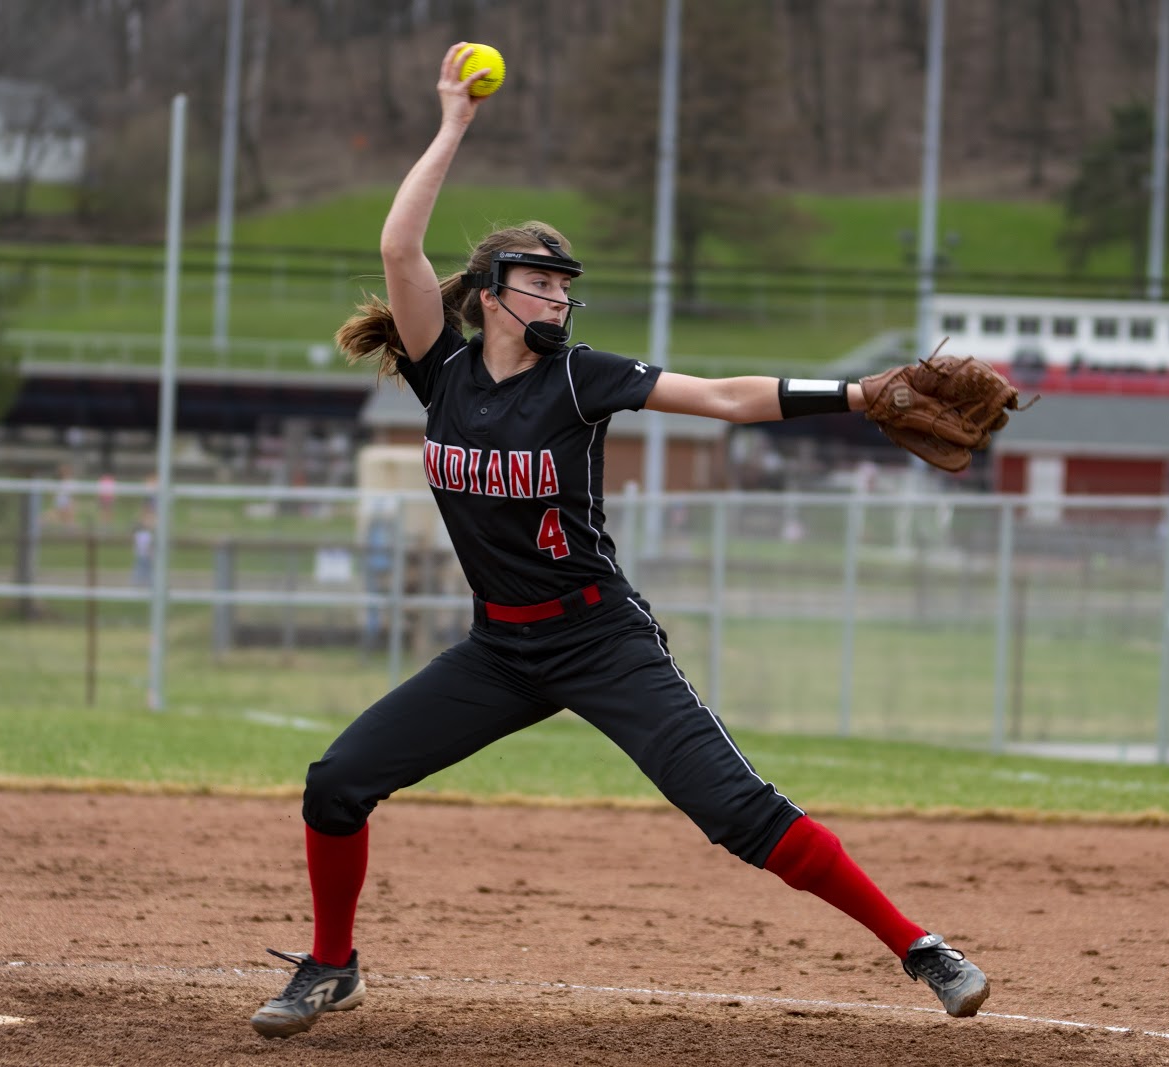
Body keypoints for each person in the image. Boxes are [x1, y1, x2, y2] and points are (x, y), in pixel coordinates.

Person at [248, 42, 988, 1039]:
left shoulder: (580, 378)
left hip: (601, 638)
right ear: (489, 292)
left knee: (737, 810)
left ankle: (920, 946)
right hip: (499, 648)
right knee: (336, 782)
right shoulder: (444, 374)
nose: (558, 298)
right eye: (539, 282)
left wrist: (855, 394)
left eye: (565, 285)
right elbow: (397, 249)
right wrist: (454, 122)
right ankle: (333, 966)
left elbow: (722, 398)